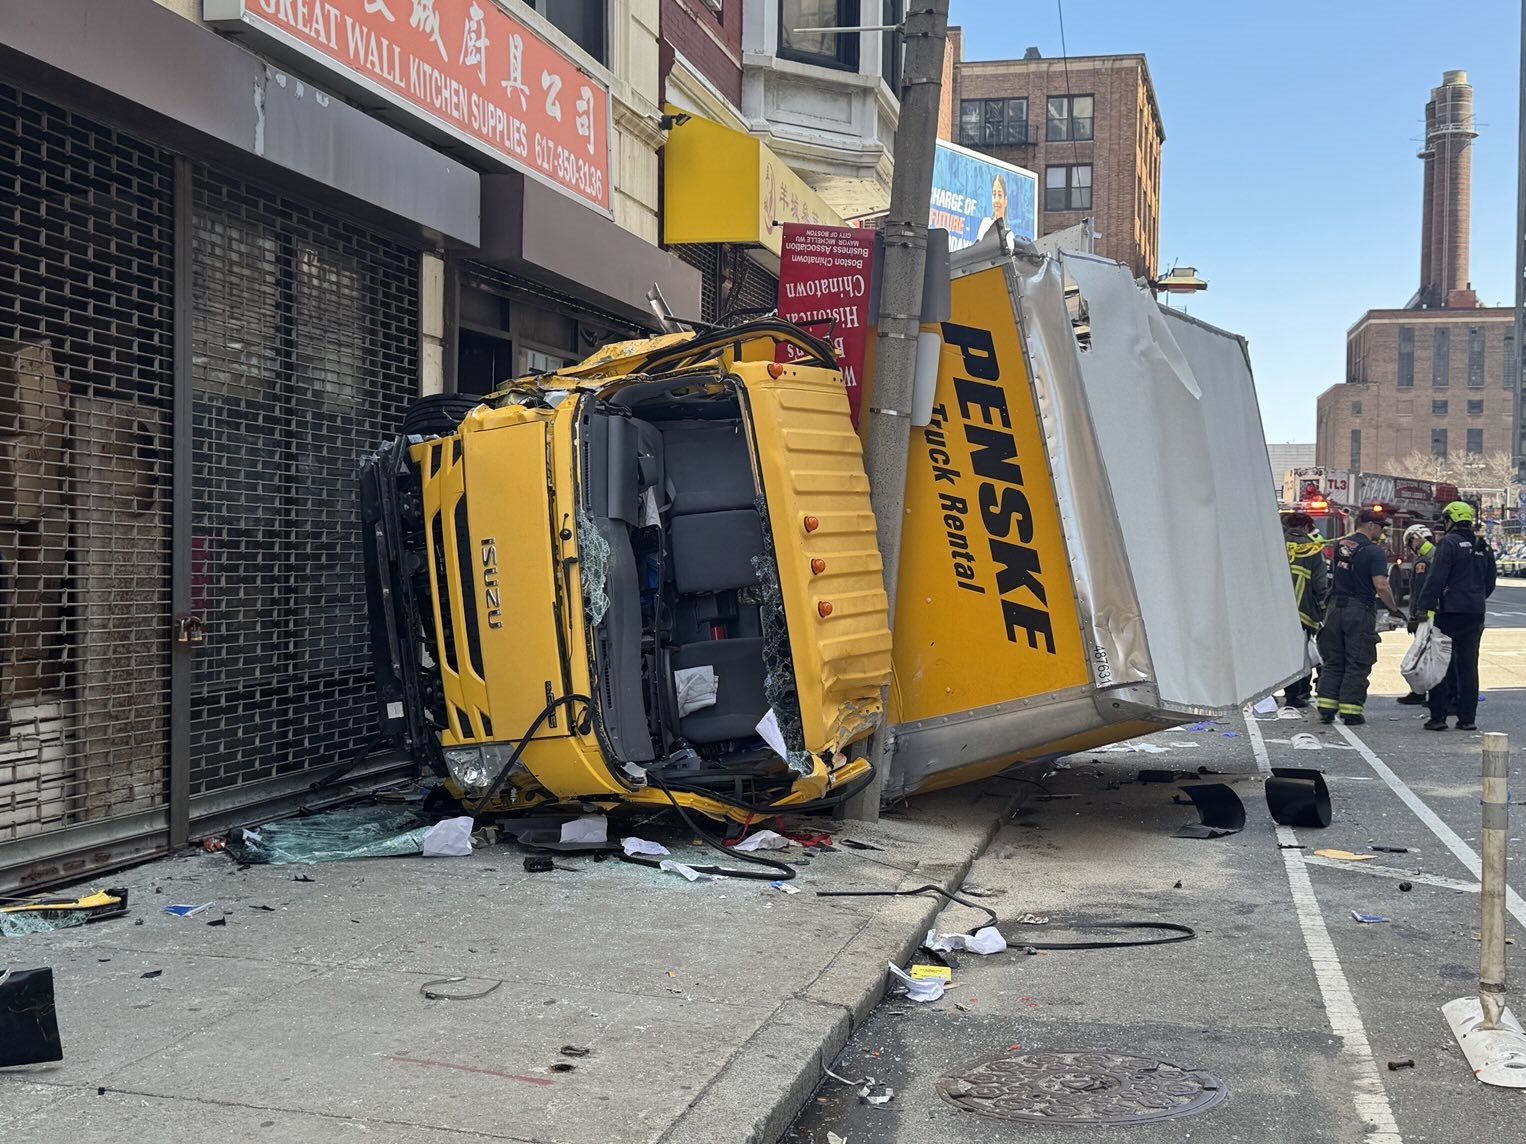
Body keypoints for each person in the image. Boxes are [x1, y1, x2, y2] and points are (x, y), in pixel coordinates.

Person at [1316, 509, 1403, 725]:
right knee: (1357, 659)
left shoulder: (1341, 545)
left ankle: (1326, 707)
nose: (1382, 533)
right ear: (1371, 525)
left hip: (1335, 608)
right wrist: (1393, 608)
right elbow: (1381, 585)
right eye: (1381, 528)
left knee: (1334, 659)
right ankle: (1351, 711)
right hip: (1359, 609)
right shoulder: (1374, 552)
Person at [1416, 501, 1497, 731]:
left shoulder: (1449, 543)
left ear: (1450, 519)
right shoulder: (1483, 544)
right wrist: (1476, 598)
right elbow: (1490, 580)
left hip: (1449, 612)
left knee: (1440, 663)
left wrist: (1424, 606)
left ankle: (1439, 716)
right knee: (1468, 666)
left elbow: (1436, 578)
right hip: (1474, 613)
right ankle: (1467, 718)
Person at [1282, 512, 1328, 707]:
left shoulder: (1276, 543)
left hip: (1276, 610)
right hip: (1303, 610)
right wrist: (1323, 607)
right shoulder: (1312, 548)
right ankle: (1298, 694)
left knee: (1282, 653)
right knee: (1301, 654)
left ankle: (1283, 691)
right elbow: (1320, 584)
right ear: (1305, 528)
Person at [1395, 523, 1435, 706]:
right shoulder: (1435, 556)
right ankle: (1422, 691)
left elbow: (1420, 590)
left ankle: (1421, 692)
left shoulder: (1422, 562)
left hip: (1427, 617)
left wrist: (1417, 616)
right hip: (1433, 615)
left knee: (1424, 656)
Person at [976, 174, 1008, 241]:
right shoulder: (986, 223)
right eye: (994, 195)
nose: (996, 200)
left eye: (999, 195)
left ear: (1005, 200)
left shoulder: (1009, 235)